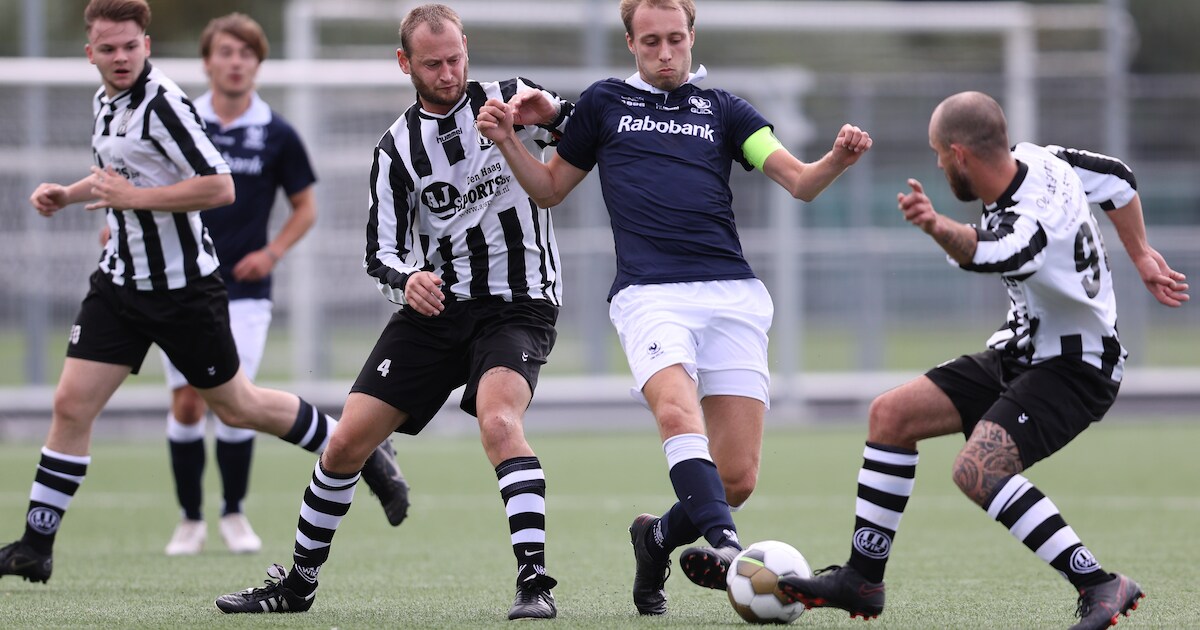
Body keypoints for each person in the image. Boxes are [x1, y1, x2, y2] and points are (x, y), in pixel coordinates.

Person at [477, 0, 872, 615]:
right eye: (651, 41)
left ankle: (655, 538)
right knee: (675, 413)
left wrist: (836, 160)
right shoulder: (604, 104)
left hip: (733, 296)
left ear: (692, 38)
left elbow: (799, 180)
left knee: (735, 478)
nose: (665, 53)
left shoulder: (725, 110)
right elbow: (550, 188)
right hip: (650, 295)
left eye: (676, 40)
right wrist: (507, 141)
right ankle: (729, 548)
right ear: (631, 44)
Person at [0, 0, 406, 585]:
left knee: (237, 406)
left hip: (184, 291)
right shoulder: (106, 102)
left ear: (147, 47)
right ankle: (35, 547)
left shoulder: (164, 104)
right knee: (71, 405)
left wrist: (132, 201)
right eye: (107, 48)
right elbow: (121, 174)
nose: (119, 57)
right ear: (91, 53)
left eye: (129, 47)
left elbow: (219, 187)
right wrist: (66, 194)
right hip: (119, 284)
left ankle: (359, 449)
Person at [775, 91, 1188, 630]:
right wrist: (1140, 253)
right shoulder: (1041, 158)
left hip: (1077, 369)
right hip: (1021, 350)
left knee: (978, 470)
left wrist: (933, 224)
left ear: (959, 154)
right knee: (891, 417)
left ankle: (1100, 583)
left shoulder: (1029, 223)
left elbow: (985, 251)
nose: (938, 165)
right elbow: (1117, 178)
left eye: (937, 155)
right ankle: (862, 579)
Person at [213, 4, 572, 620]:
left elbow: (591, 134)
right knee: (347, 441)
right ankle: (297, 585)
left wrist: (557, 114)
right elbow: (380, 252)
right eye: (431, 63)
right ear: (404, 64)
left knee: (498, 420)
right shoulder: (397, 149)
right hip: (439, 307)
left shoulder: (511, 97)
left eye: (455, 58)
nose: (448, 72)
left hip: (519, 304)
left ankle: (534, 583)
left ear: (467, 48)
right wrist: (408, 281)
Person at [157, 12, 410, 558]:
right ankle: (189, 519)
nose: (235, 62)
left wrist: (270, 252)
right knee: (184, 405)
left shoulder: (276, 132)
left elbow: (305, 208)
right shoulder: (181, 122)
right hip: (180, 285)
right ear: (208, 62)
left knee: (235, 400)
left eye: (246, 54)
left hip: (245, 293)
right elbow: (155, 184)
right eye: (225, 52)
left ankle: (233, 513)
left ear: (257, 64)